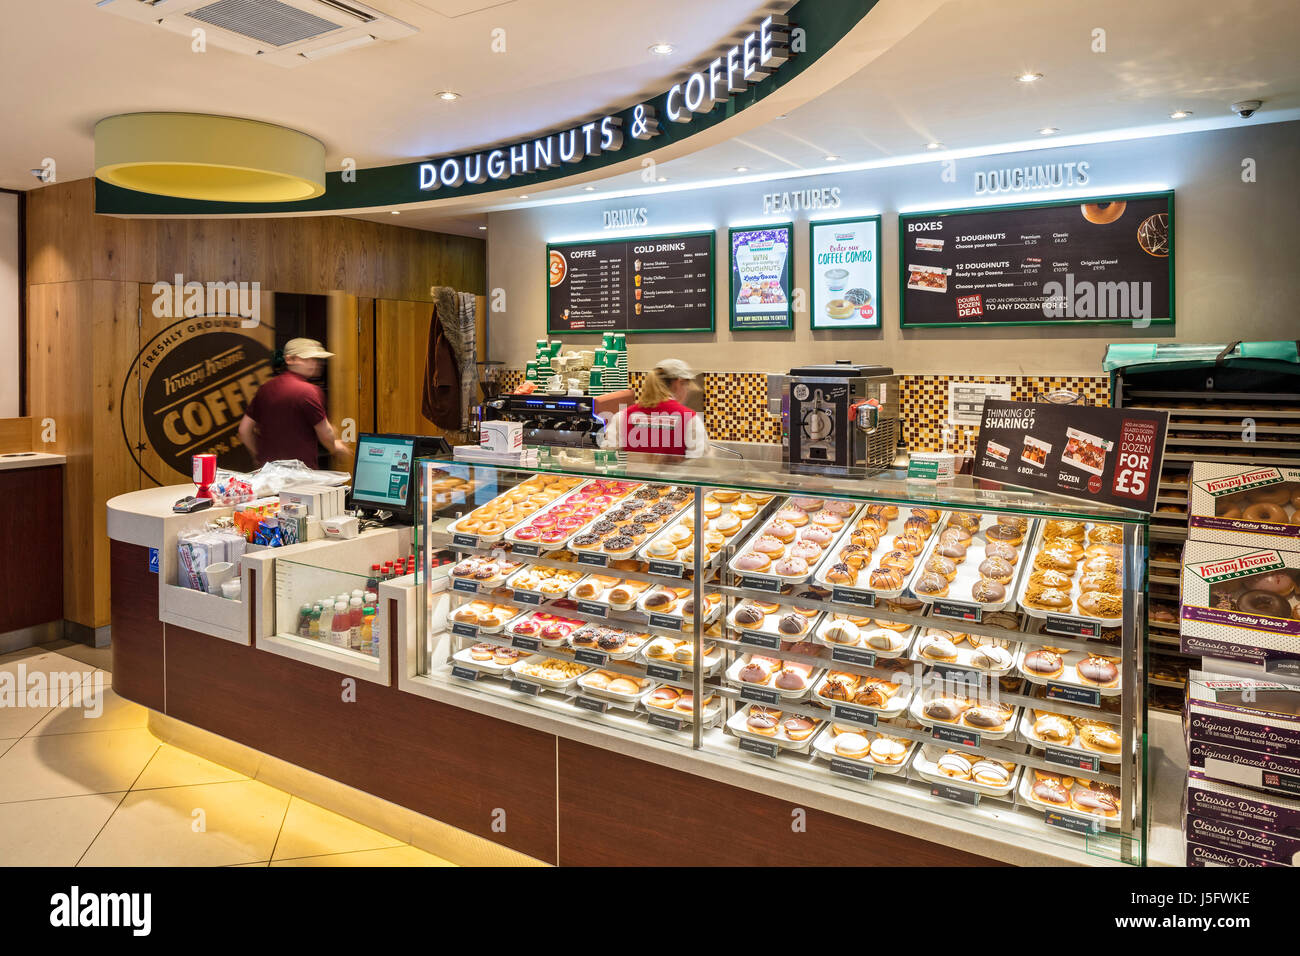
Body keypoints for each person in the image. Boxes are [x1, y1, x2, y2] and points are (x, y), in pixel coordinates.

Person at [238, 338, 350, 468]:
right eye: (306, 359)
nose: (313, 363)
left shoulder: (265, 388)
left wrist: (258, 456)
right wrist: (336, 447)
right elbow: (325, 434)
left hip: (268, 475)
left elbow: (244, 430)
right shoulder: (309, 391)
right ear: (289, 359)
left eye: (315, 359)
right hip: (300, 476)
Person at [600, 358, 711, 457]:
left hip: (635, 479)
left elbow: (607, 455)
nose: (687, 391)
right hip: (672, 479)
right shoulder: (690, 419)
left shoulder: (622, 416)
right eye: (687, 385)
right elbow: (699, 463)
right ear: (679, 382)